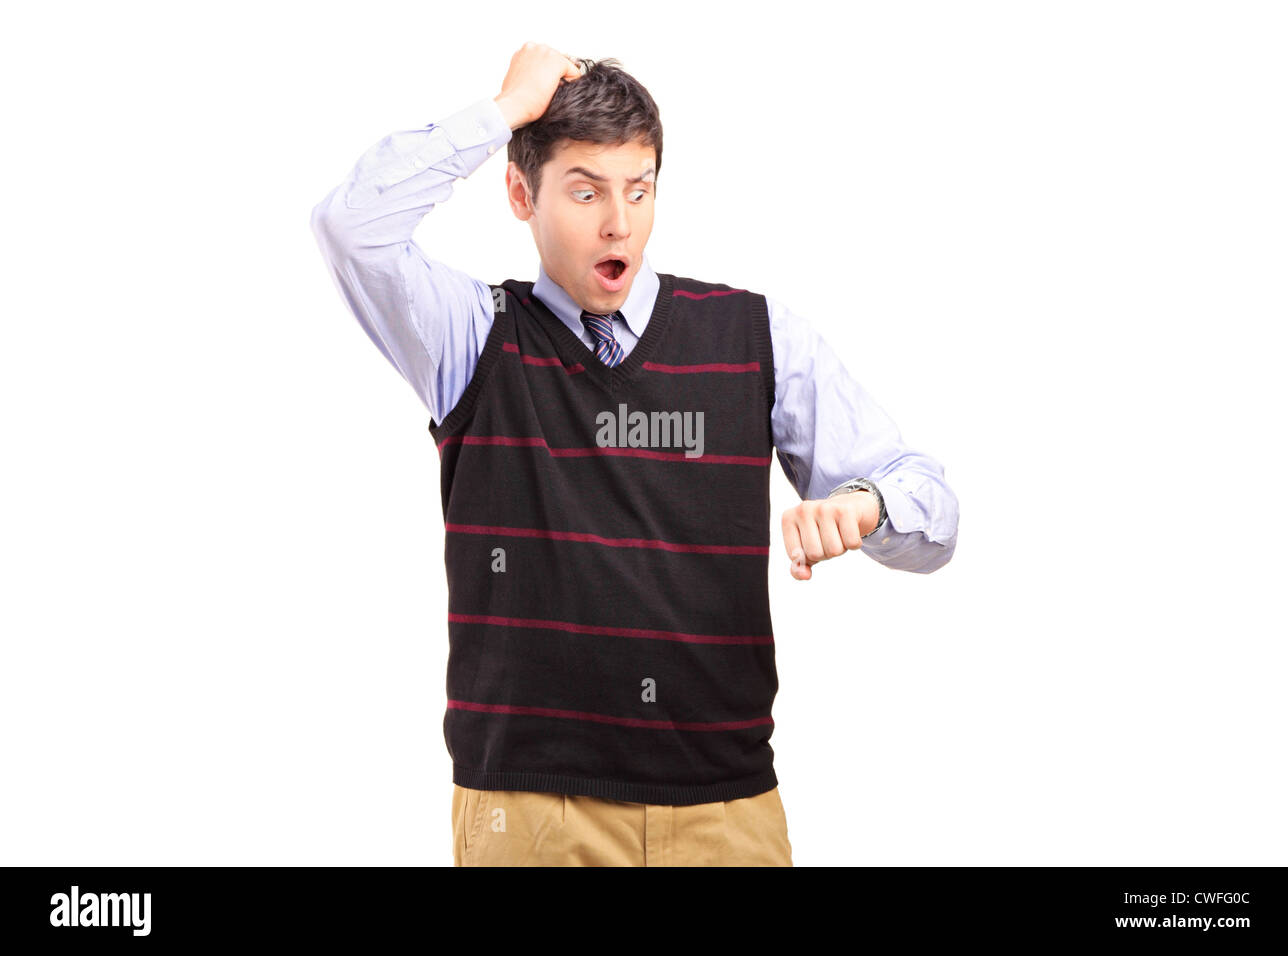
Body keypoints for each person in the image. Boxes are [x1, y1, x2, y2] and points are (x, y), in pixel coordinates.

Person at [309, 42, 959, 866]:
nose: (619, 222)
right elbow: (349, 225)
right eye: (585, 192)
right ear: (521, 192)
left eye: (638, 189)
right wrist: (505, 111)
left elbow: (931, 507)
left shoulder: (754, 338)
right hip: (531, 815)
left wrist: (866, 507)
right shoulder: (471, 339)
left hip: (726, 816)